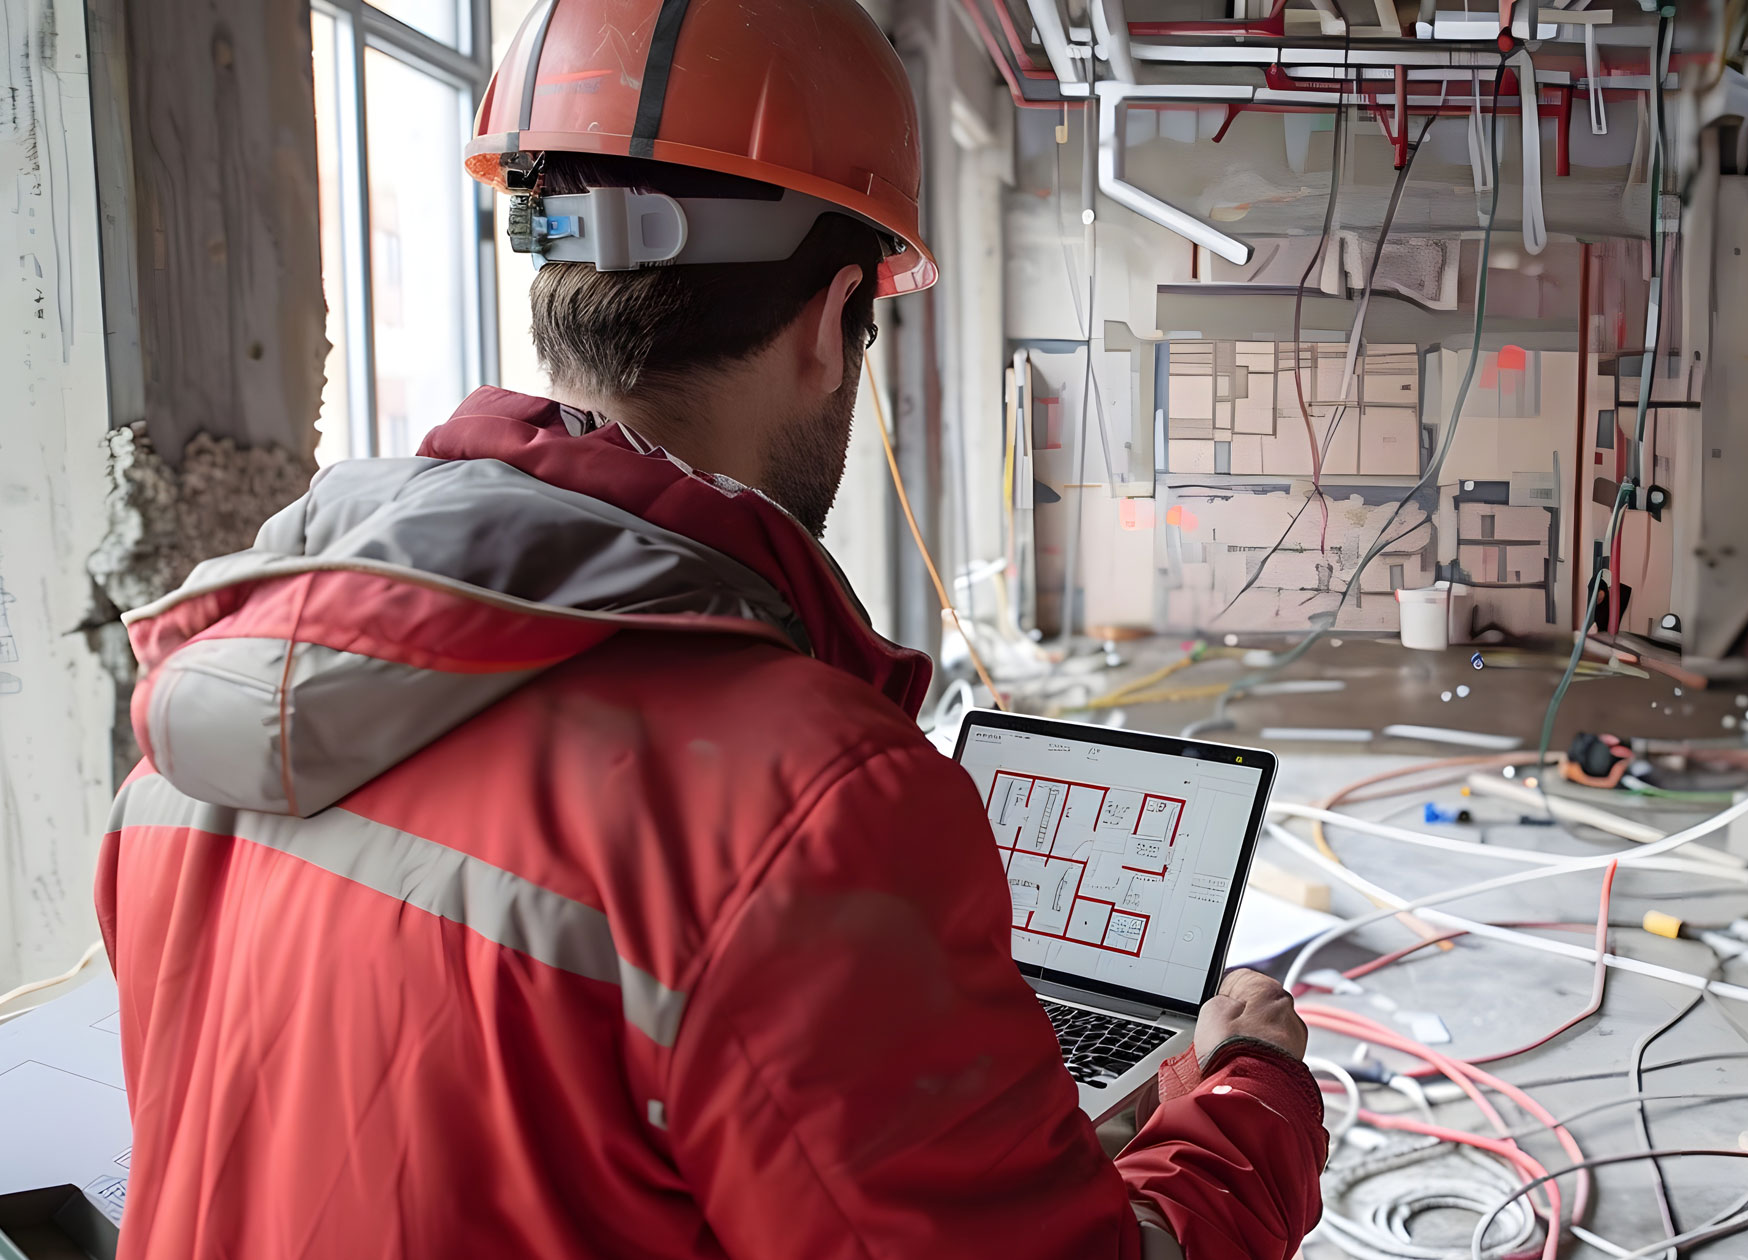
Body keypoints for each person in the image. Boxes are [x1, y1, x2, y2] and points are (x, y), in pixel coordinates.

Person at [95, 1, 1325, 1256]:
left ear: (554, 282)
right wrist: (1249, 1102)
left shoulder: (210, 706)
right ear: (830, 321)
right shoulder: (806, 807)